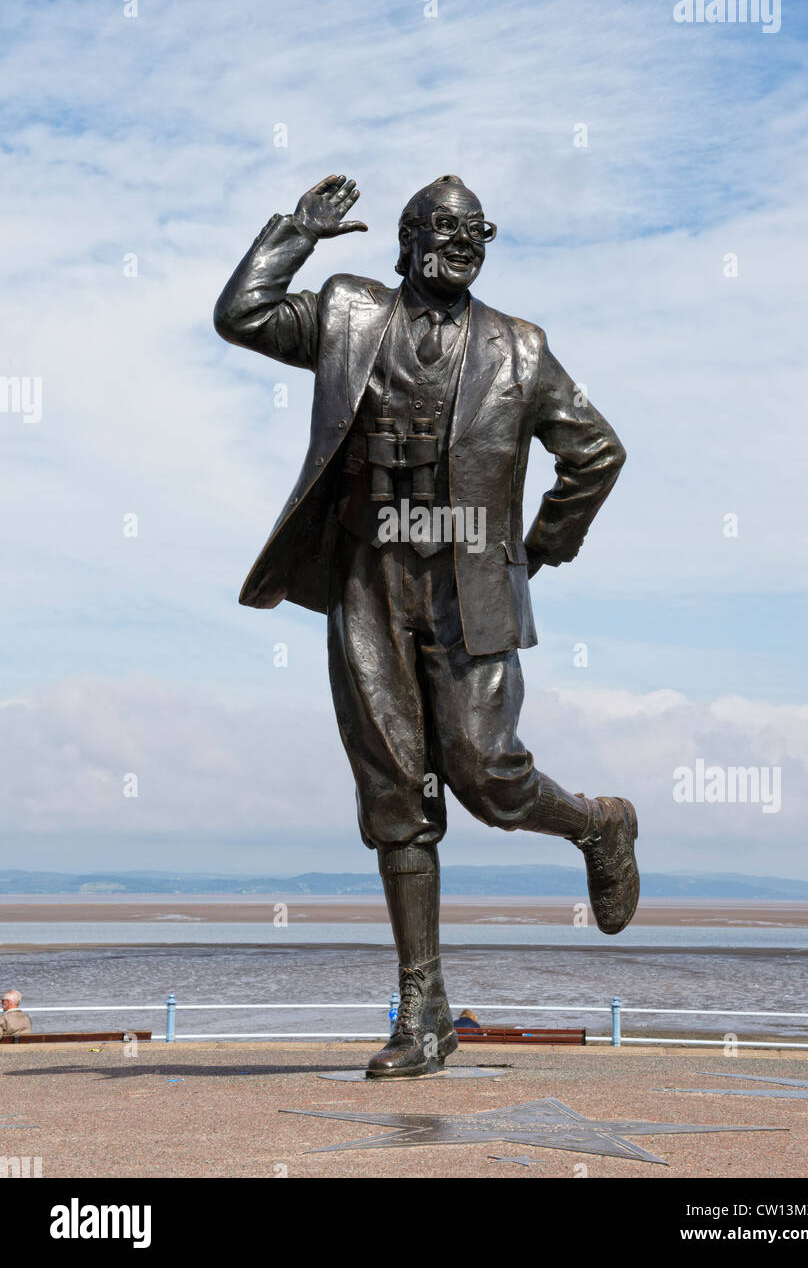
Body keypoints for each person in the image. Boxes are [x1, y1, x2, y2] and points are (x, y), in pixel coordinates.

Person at [214, 173, 639, 1078]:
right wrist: (296, 233)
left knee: (486, 775)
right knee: (394, 798)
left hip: (468, 581)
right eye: (441, 228)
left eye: (475, 231)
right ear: (405, 238)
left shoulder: (521, 351)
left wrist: (541, 546)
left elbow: (596, 451)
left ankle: (598, 825)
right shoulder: (347, 316)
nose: (460, 242)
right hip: (370, 575)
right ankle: (424, 1014)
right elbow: (242, 317)